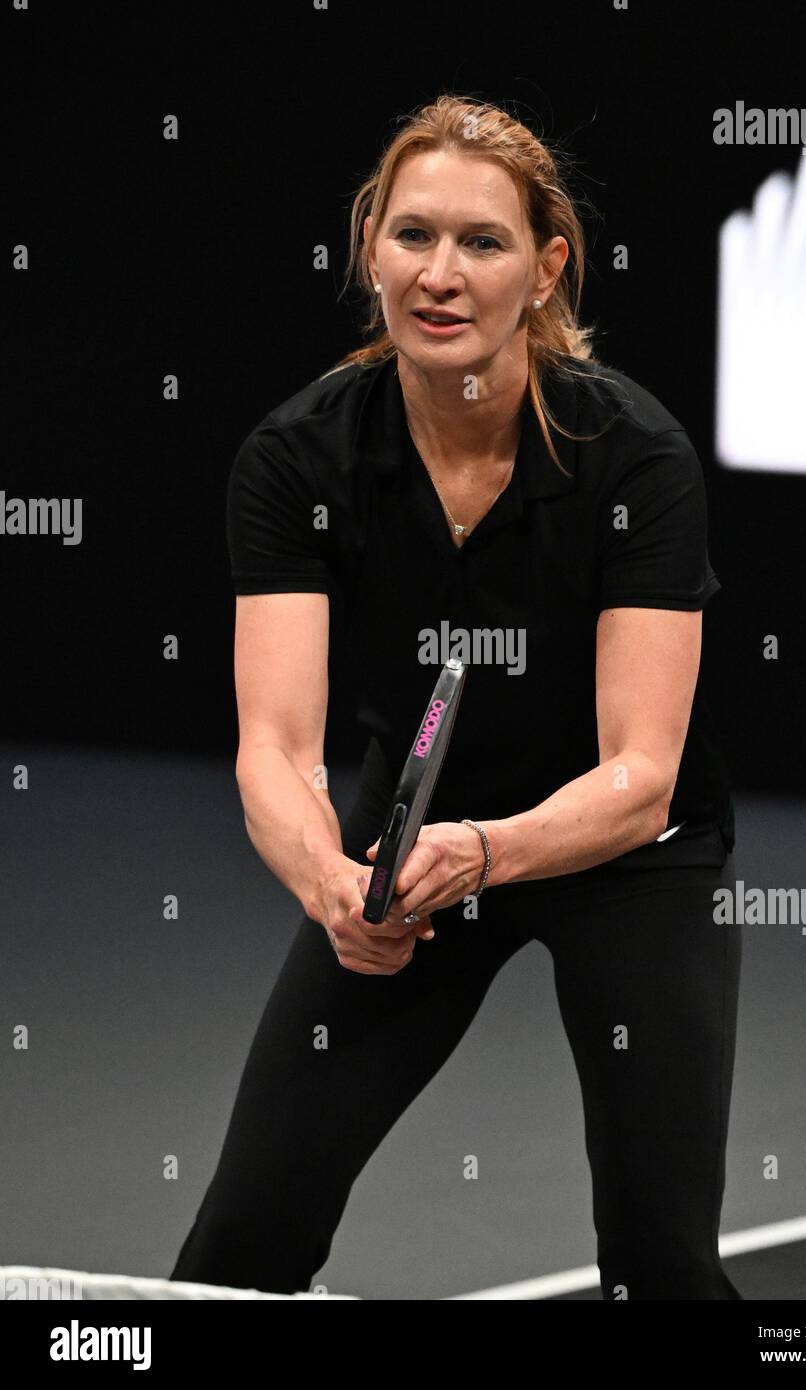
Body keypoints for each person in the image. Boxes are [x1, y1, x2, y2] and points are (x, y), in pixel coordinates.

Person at [168, 93, 742, 1301]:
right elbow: (273, 747)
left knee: (662, 1264)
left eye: (482, 243)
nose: (441, 274)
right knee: (242, 1245)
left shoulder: (636, 458)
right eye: (412, 234)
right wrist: (332, 880)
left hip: (624, 855)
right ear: (367, 245)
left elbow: (641, 775)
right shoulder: (298, 457)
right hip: (409, 836)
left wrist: (482, 851)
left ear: (546, 269)